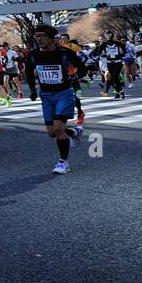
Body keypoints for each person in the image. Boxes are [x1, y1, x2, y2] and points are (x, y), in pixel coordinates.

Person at [24, 25, 87, 175]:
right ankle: (73, 132)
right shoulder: (33, 54)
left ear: (52, 39)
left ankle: (63, 162)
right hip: (46, 95)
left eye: (42, 36)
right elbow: (27, 72)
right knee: (52, 133)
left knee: (58, 128)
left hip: (64, 93)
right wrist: (33, 90)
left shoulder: (64, 52)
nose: (39, 39)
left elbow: (82, 68)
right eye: (36, 36)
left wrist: (75, 77)